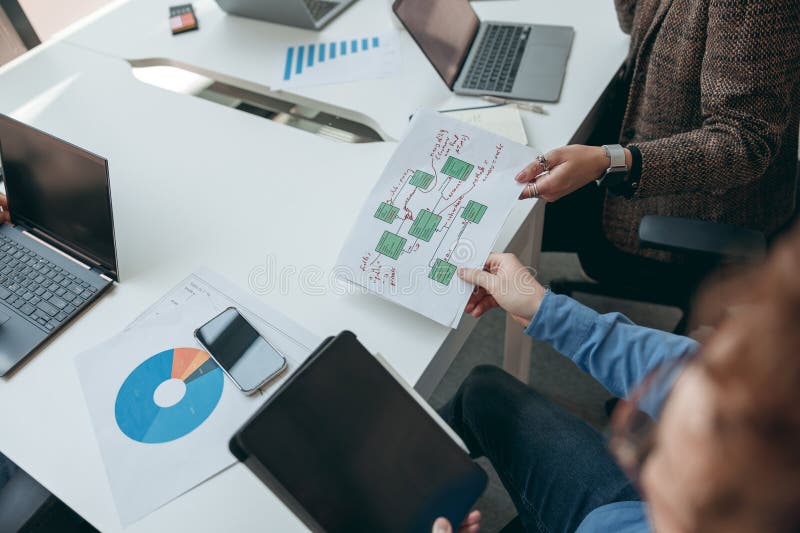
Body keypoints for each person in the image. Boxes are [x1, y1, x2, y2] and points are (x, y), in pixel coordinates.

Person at [432, 222, 800, 532]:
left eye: (661, 457)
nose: (623, 447)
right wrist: (546, 310)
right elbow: (688, 366)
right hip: (621, 516)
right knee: (483, 393)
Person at [515, 0, 800, 288]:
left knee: (509, 210)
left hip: (687, 207)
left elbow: (745, 142)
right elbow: (631, 21)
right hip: (633, 133)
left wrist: (611, 161)